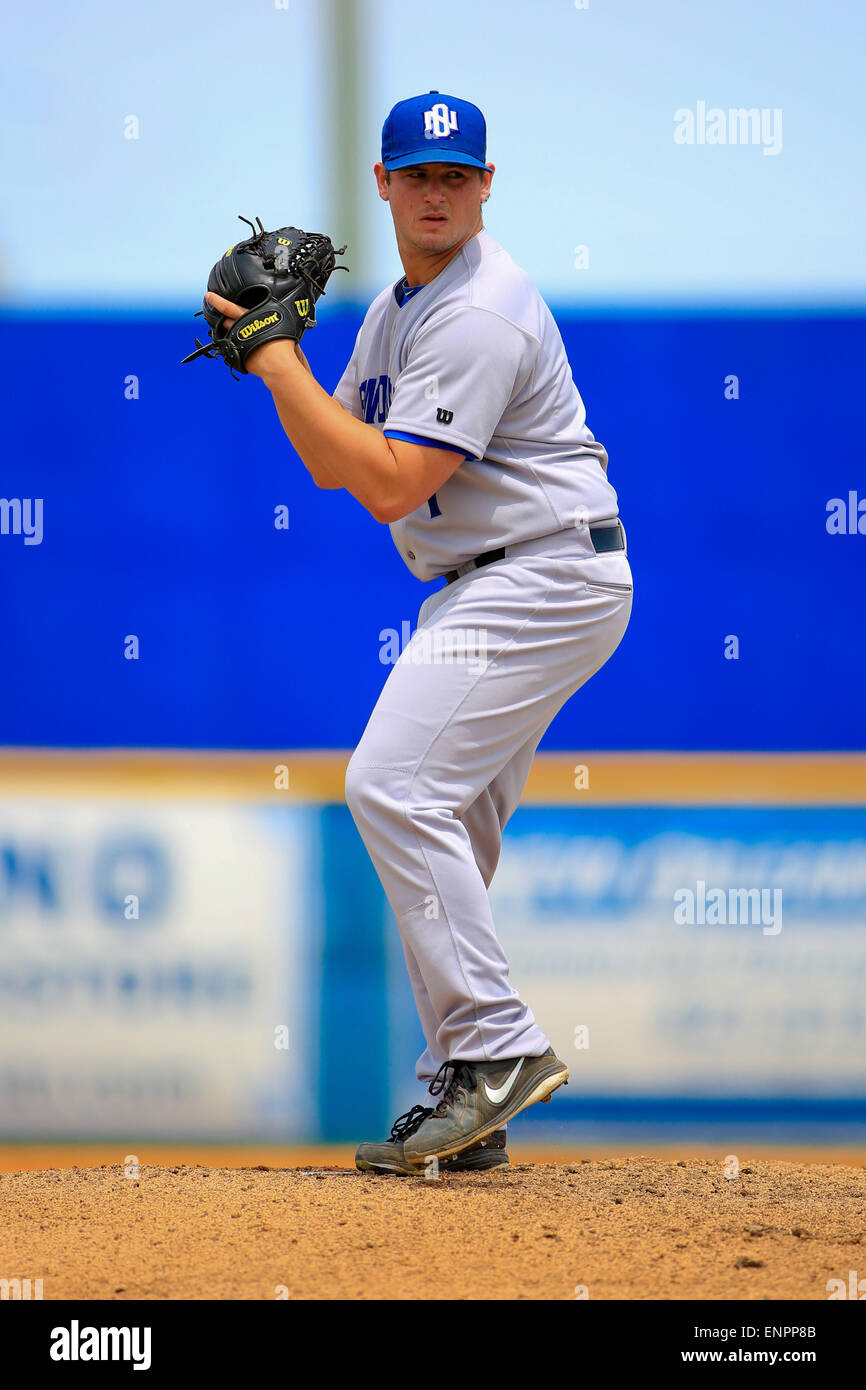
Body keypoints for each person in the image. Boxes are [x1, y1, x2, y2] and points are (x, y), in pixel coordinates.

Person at [205, 91, 633, 1175]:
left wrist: (273, 360)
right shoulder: (396, 311)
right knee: (448, 824)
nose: (436, 191)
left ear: (486, 186)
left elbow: (391, 483)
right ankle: (467, 1088)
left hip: (538, 573)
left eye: (456, 174)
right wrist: (282, 365)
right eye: (417, 173)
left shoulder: (481, 308)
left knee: (389, 786)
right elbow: (331, 456)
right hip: (502, 580)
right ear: (384, 185)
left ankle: (493, 1051)